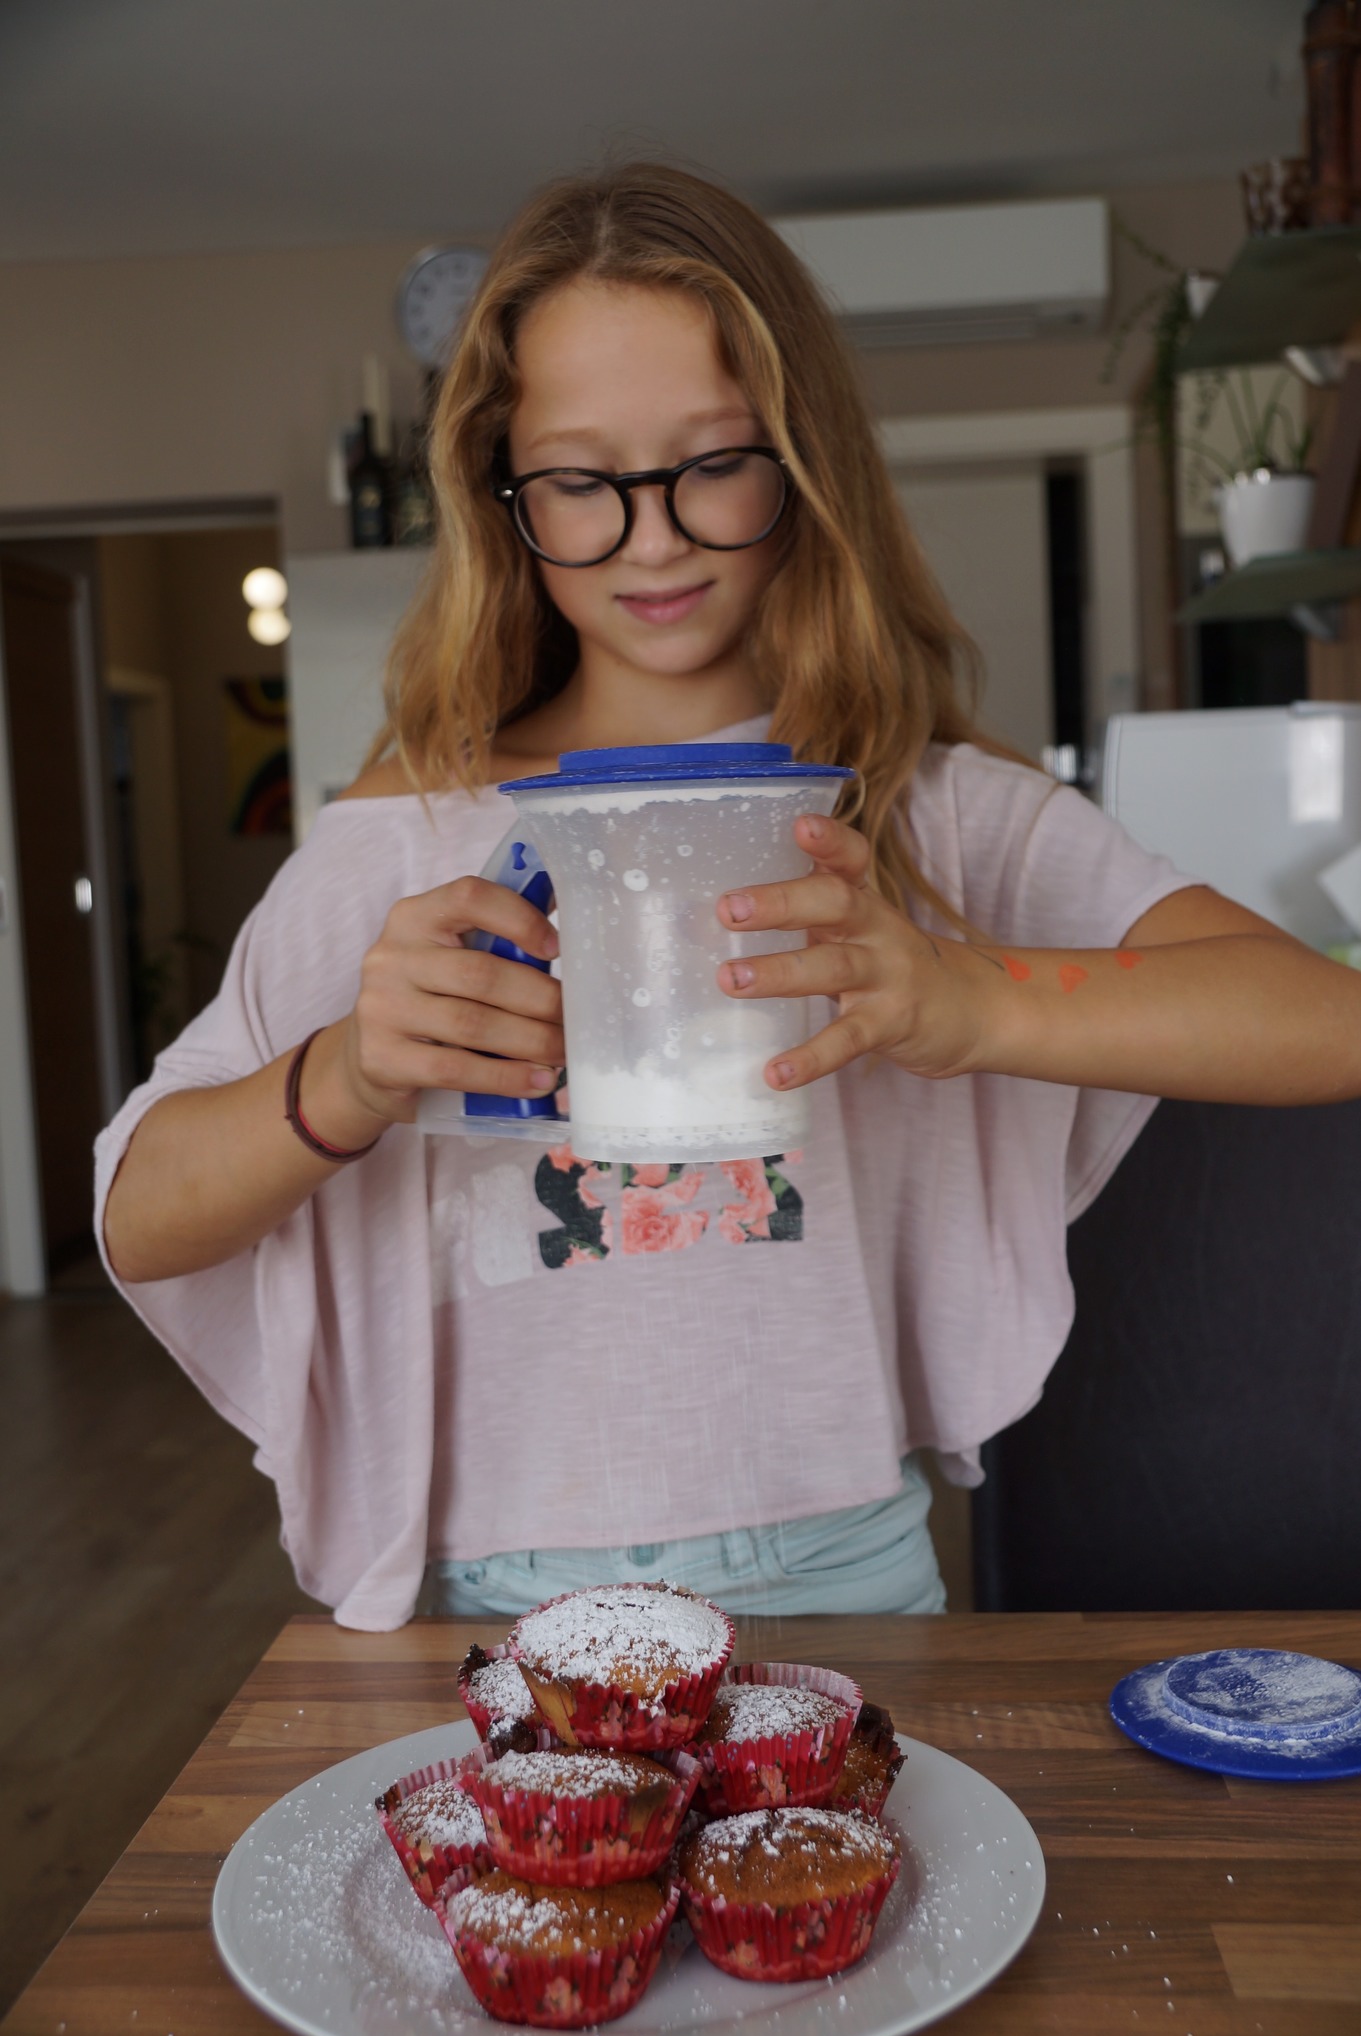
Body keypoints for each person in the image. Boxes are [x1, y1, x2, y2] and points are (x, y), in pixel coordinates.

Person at [99, 164, 1361, 1630]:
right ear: (503, 497)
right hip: (490, 1594)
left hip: (844, 1564)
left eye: (712, 462)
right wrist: (347, 1073)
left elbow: (1321, 1022)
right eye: (579, 480)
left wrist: (965, 995)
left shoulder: (917, 810)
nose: (653, 536)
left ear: (803, 460)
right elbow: (139, 1218)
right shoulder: (401, 837)